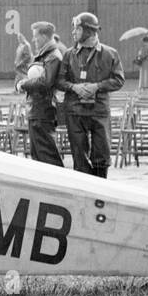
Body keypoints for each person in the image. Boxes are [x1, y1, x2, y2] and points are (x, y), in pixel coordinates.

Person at [58, 12, 125, 178]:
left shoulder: (110, 54)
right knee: (79, 155)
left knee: (102, 155)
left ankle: (100, 188)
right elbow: (59, 80)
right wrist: (74, 87)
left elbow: (118, 79)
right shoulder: (69, 54)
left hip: (99, 111)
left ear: (88, 31)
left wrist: (98, 86)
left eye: (77, 28)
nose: (73, 32)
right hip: (75, 111)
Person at [16, 21, 65, 167]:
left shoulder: (52, 56)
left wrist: (23, 84)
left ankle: (58, 185)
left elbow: (45, 82)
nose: (33, 40)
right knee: (39, 155)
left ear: (44, 36)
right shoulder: (46, 55)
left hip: (43, 111)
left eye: (35, 36)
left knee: (47, 156)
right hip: (38, 110)